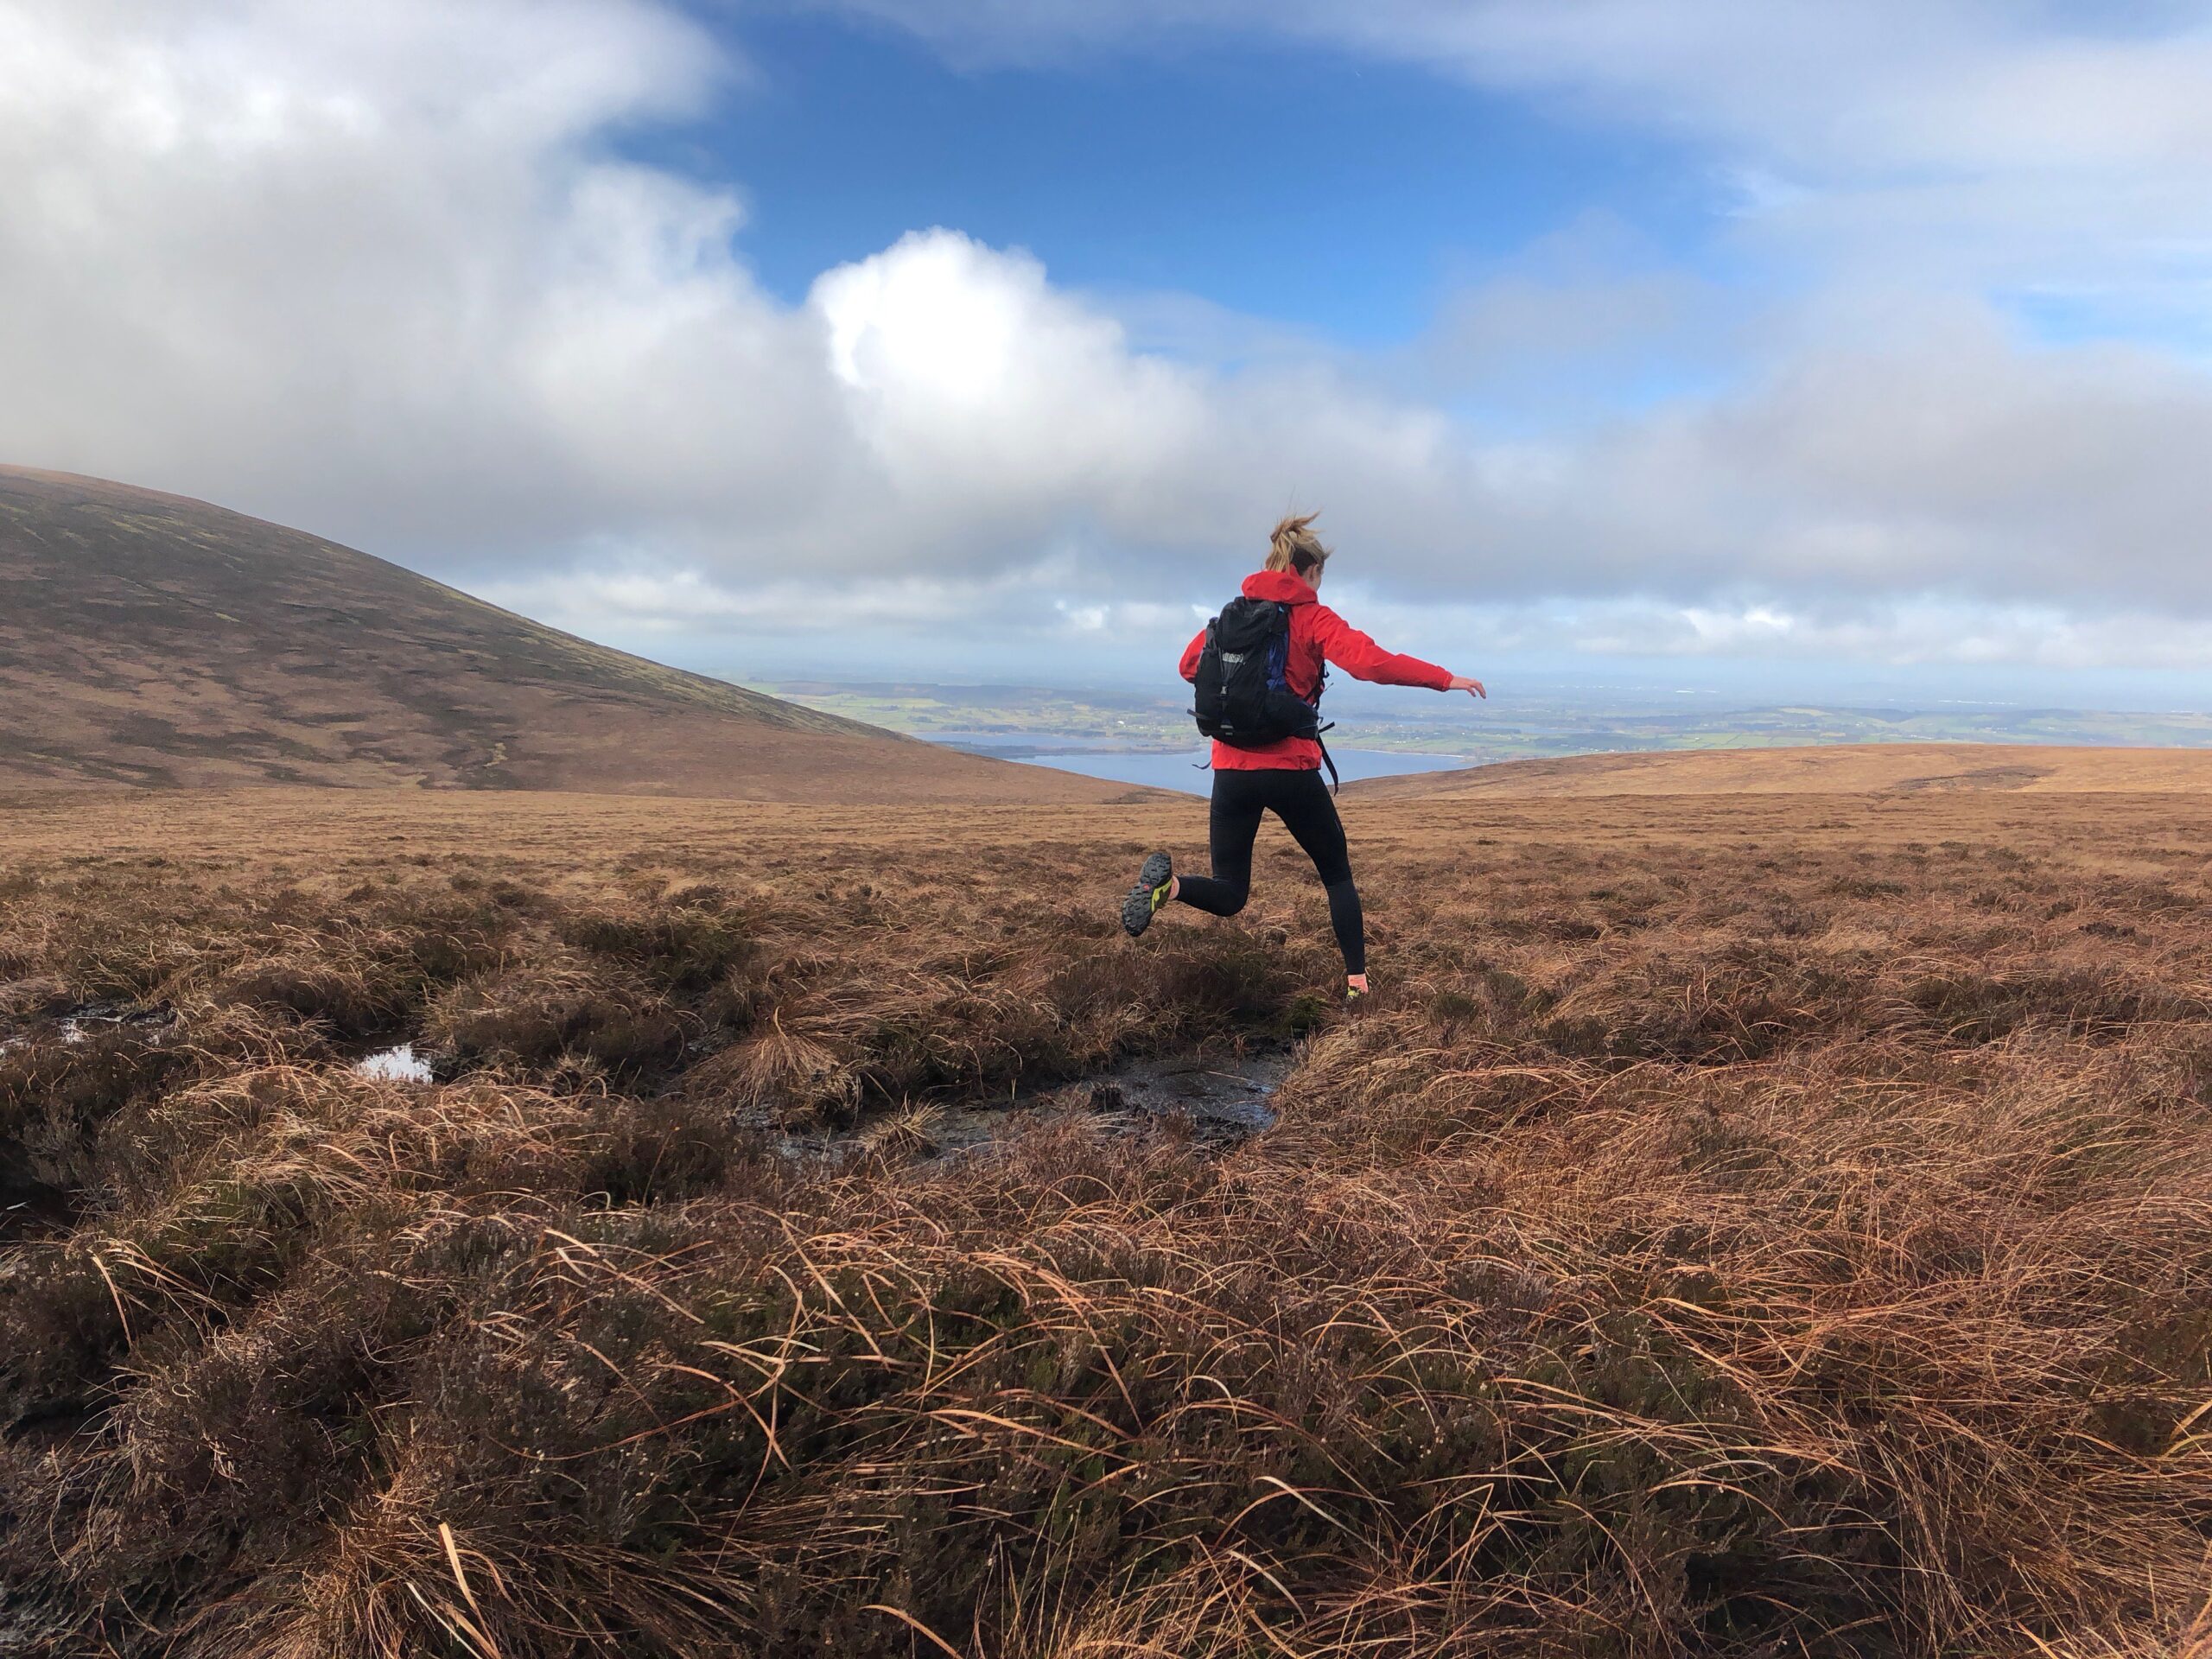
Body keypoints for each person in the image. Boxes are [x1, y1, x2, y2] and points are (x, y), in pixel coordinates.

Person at [1120, 512, 1486, 1002]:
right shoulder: (1314, 618)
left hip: (1232, 770)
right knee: (1336, 875)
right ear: (1310, 571)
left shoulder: (1231, 615)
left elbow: (1190, 667)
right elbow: (1371, 664)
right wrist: (1445, 678)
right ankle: (1357, 986)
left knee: (1230, 892)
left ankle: (1171, 889)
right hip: (1291, 769)